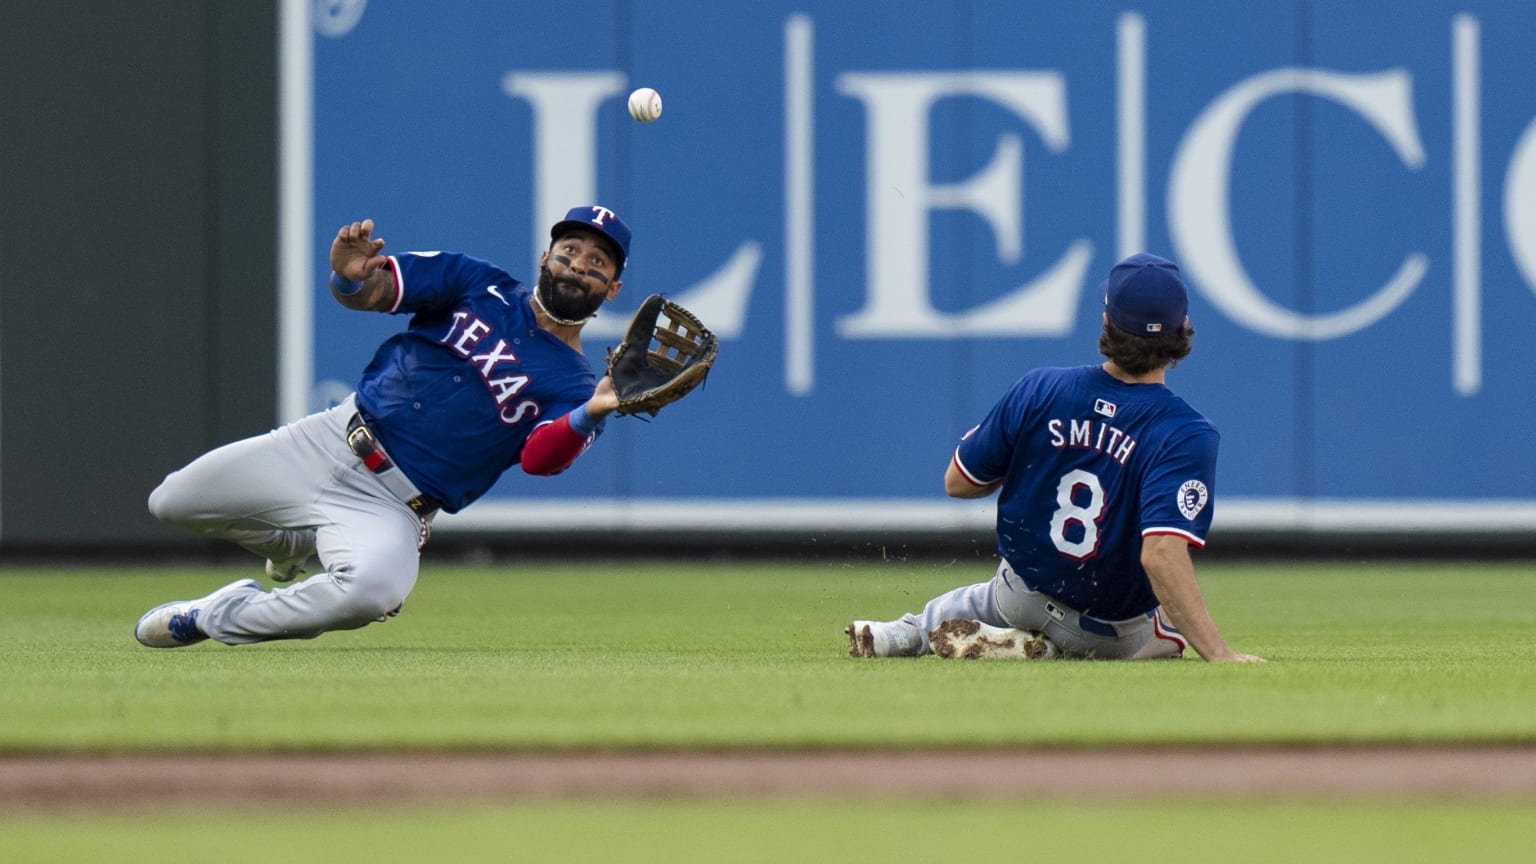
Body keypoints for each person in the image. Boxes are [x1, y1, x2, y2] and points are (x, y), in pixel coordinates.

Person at [135, 205, 634, 648]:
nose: (579, 265)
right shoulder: (477, 281)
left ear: (611, 290)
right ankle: (289, 544)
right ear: (544, 257)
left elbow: (539, 459)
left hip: (394, 503)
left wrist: (591, 411)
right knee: (172, 501)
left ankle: (214, 616)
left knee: (372, 593)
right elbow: (372, 291)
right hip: (328, 440)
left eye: (598, 263)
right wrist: (350, 279)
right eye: (571, 249)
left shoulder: (578, 387)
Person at [846, 252, 1264, 663]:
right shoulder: (1185, 431)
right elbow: (1160, 554)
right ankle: (1045, 650)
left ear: (1107, 322)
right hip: (1109, 631)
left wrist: (1041, 453)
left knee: (981, 598)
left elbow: (959, 482)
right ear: (1183, 328)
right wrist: (1221, 654)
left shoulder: (1041, 389)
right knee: (1172, 632)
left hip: (1018, 595)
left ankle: (902, 633)